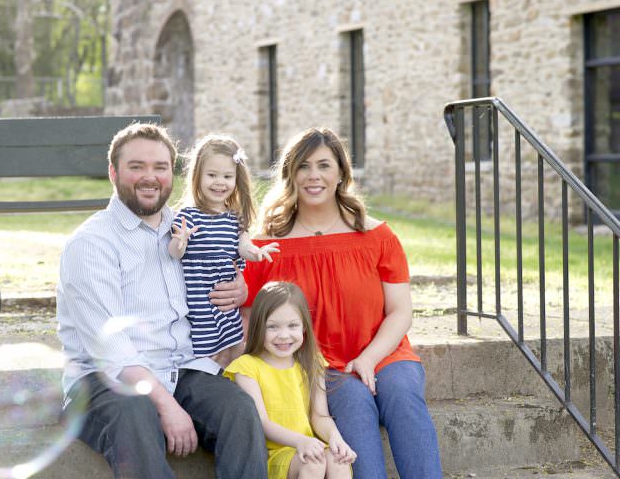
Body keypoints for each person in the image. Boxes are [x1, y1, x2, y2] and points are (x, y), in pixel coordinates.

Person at [56, 122, 268, 479]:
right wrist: (167, 406)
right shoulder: (92, 243)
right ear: (113, 172)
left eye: (160, 167)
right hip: (105, 380)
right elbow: (111, 349)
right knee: (135, 413)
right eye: (136, 166)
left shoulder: (186, 227)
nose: (149, 177)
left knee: (238, 409)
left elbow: (219, 267)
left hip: (180, 368)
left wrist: (239, 289)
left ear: (173, 173)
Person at [243, 127, 442, 478]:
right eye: (303, 167)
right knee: (353, 403)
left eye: (324, 165)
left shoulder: (376, 236)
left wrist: (368, 358)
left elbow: (400, 311)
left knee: (402, 395)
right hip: (323, 366)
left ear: (341, 173)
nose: (314, 175)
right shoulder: (268, 246)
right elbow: (249, 317)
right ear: (291, 175)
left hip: (385, 352)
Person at [225, 281, 357, 479]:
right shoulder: (247, 367)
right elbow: (262, 423)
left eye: (293, 325)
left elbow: (320, 416)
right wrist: (300, 441)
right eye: (273, 327)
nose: (284, 335)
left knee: (337, 460)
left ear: (304, 326)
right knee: (313, 463)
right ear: (259, 326)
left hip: (308, 446)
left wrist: (336, 439)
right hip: (274, 453)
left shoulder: (311, 362)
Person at [169, 135, 279, 367]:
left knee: (234, 347)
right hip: (199, 300)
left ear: (236, 180)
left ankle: (231, 383)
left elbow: (244, 246)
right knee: (206, 353)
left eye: (227, 177)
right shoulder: (188, 216)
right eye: (212, 175)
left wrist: (257, 253)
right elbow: (175, 253)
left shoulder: (234, 219)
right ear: (197, 176)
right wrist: (179, 243)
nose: (220, 183)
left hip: (227, 305)